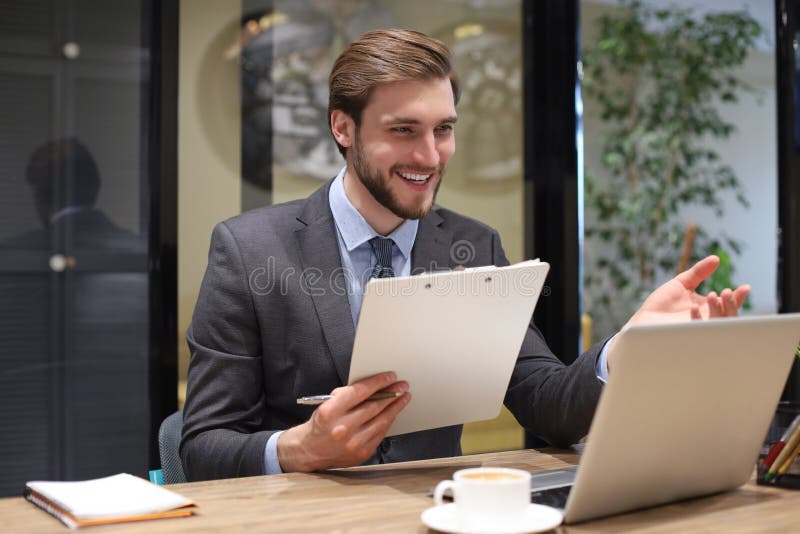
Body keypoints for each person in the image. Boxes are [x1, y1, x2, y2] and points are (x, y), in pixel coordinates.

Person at [180, 29, 748, 481]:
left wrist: (627, 348)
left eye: (443, 129)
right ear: (343, 127)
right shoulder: (249, 248)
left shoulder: (474, 248)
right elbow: (204, 446)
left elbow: (545, 404)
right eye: (404, 130)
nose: (429, 156)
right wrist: (299, 448)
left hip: (437, 515)